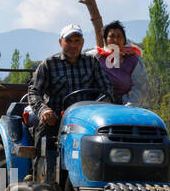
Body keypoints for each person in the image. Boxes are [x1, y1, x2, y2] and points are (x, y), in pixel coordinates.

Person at [24, 24, 113, 181]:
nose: (73, 45)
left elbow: (106, 89)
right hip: (57, 117)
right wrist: (44, 110)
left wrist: (98, 107)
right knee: (45, 132)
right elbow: (34, 92)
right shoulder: (49, 64)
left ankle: (104, 176)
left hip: (86, 117)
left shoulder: (91, 62)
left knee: (108, 136)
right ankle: (40, 175)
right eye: (69, 40)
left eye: (77, 40)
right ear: (61, 42)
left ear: (83, 42)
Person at [79, 0, 144, 104]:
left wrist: (127, 105)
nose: (115, 40)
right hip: (96, 104)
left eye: (119, 36)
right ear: (105, 40)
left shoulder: (133, 60)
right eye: (111, 36)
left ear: (124, 40)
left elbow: (140, 87)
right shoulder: (96, 56)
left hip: (124, 106)